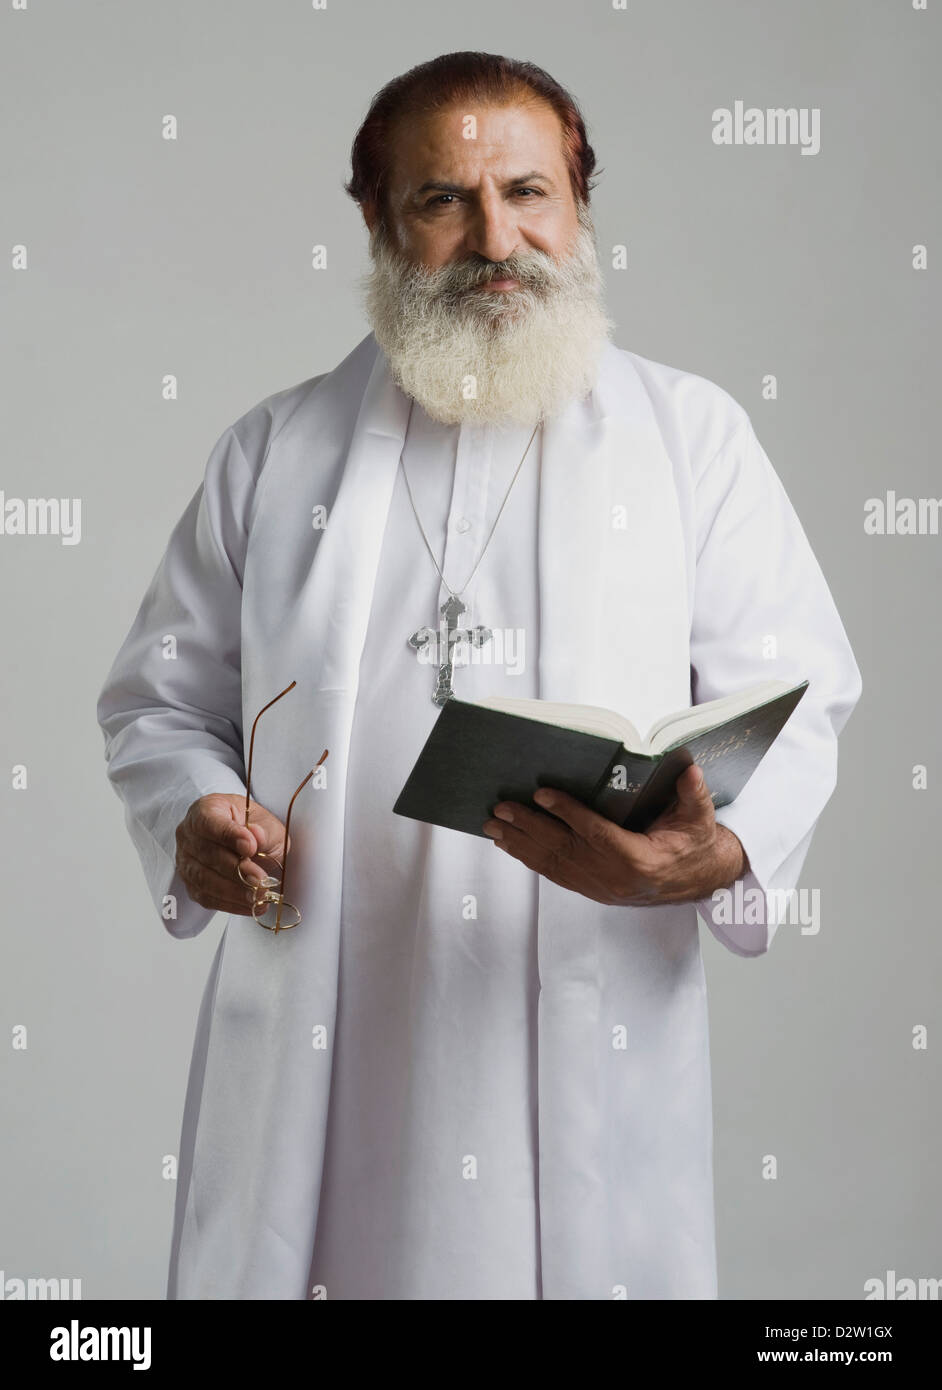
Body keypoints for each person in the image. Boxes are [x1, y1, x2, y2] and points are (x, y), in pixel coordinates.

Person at [96, 51, 862, 1300]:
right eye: (445, 200)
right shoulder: (275, 453)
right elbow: (159, 699)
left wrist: (716, 855)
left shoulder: (691, 440)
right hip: (322, 1049)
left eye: (528, 192)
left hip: (584, 1016)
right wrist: (194, 815)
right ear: (377, 220)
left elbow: (802, 695)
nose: (496, 239)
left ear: (579, 205)